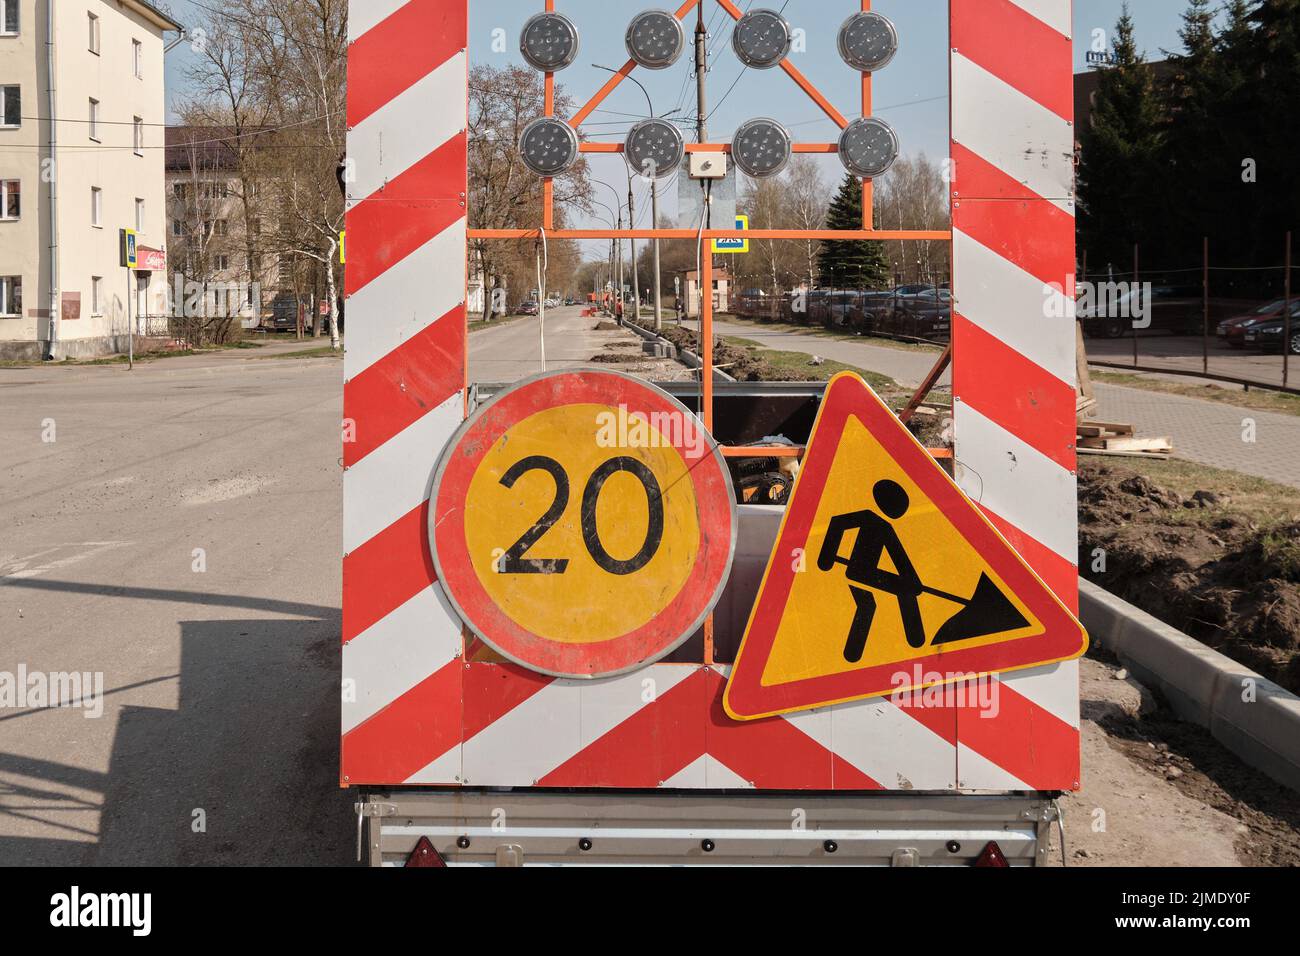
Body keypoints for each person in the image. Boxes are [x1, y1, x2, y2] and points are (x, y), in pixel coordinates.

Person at [817, 479, 927, 662]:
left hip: (864, 572)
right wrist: (826, 557)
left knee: (872, 604)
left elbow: (900, 558)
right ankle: (915, 639)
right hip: (859, 571)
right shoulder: (871, 519)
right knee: (875, 602)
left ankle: (914, 641)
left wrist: (913, 581)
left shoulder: (884, 526)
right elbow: (837, 523)